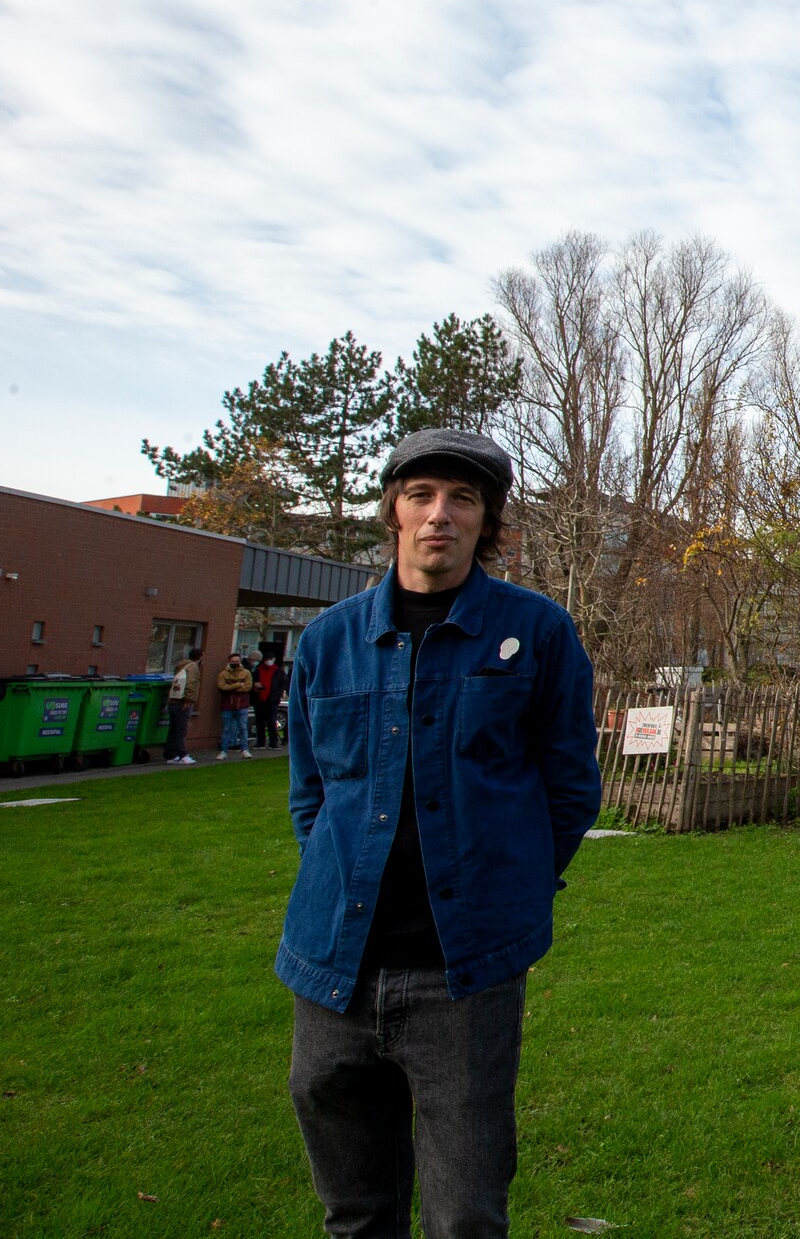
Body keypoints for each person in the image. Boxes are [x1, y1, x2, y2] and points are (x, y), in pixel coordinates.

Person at [277, 429, 601, 1238]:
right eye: (421, 494)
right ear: (393, 507)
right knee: (354, 1210)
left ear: (487, 519)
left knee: (463, 1215)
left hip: (465, 975)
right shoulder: (328, 642)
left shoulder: (540, 632)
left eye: (462, 498)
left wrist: (514, 887)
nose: (439, 515)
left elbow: (569, 789)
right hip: (333, 971)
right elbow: (310, 794)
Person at [163, 646, 202, 764]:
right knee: (181, 729)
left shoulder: (181, 665)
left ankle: (171, 754)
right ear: (200, 657)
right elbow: (190, 684)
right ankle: (183, 755)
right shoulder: (193, 666)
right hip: (183, 702)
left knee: (173, 729)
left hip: (173, 701)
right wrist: (189, 700)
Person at [216, 653, 254, 758]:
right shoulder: (223, 674)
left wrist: (230, 686)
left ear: (240, 661)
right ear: (229, 662)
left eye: (237, 661)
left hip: (242, 705)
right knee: (226, 729)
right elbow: (222, 687)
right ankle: (224, 751)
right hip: (227, 705)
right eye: (233, 661)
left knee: (243, 728)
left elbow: (247, 687)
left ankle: (245, 750)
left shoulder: (246, 673)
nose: (235, 663)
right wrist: (238, 684)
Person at [251, 652, 285, 750]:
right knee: (260, 722)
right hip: (260, 699)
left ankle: (273, 742)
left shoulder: (278, 671)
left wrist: (278, 693)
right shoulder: (258, 670)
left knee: (272, 721)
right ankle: (260, 742)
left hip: (272, 700)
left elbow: (284, 683)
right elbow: (252, 681)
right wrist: (255, 686)